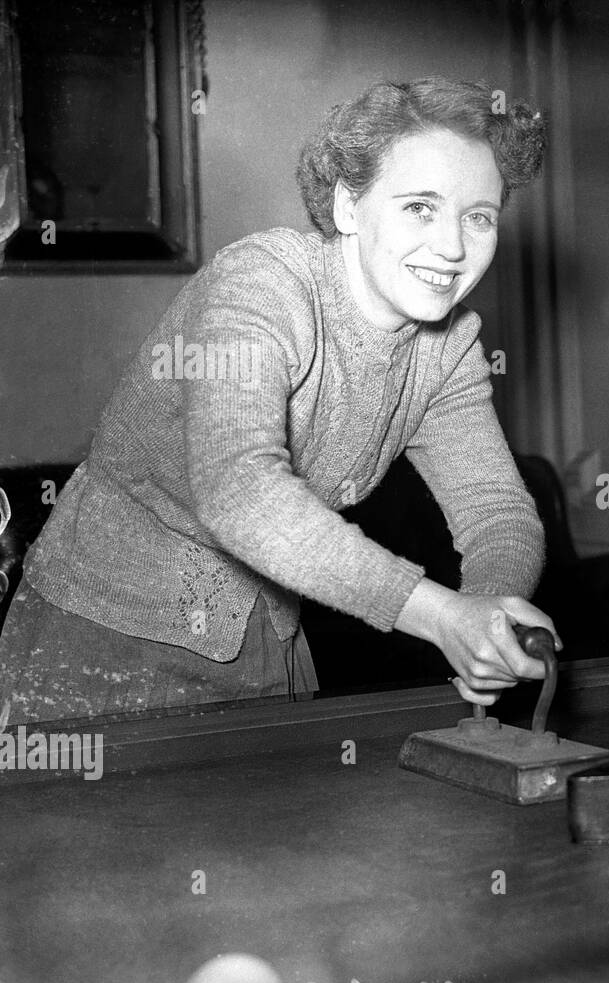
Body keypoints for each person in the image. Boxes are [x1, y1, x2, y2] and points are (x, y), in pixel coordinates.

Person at [0, 78, 558, 721]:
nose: (454, 246)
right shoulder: (263, 282)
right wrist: (439, 615)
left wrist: (487, 616)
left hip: (273, 645)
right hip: (106, 644)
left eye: (479, 216)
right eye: (419, 207)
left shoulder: (448, 345)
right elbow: (239, 491)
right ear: (349, 205)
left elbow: (496, 512)